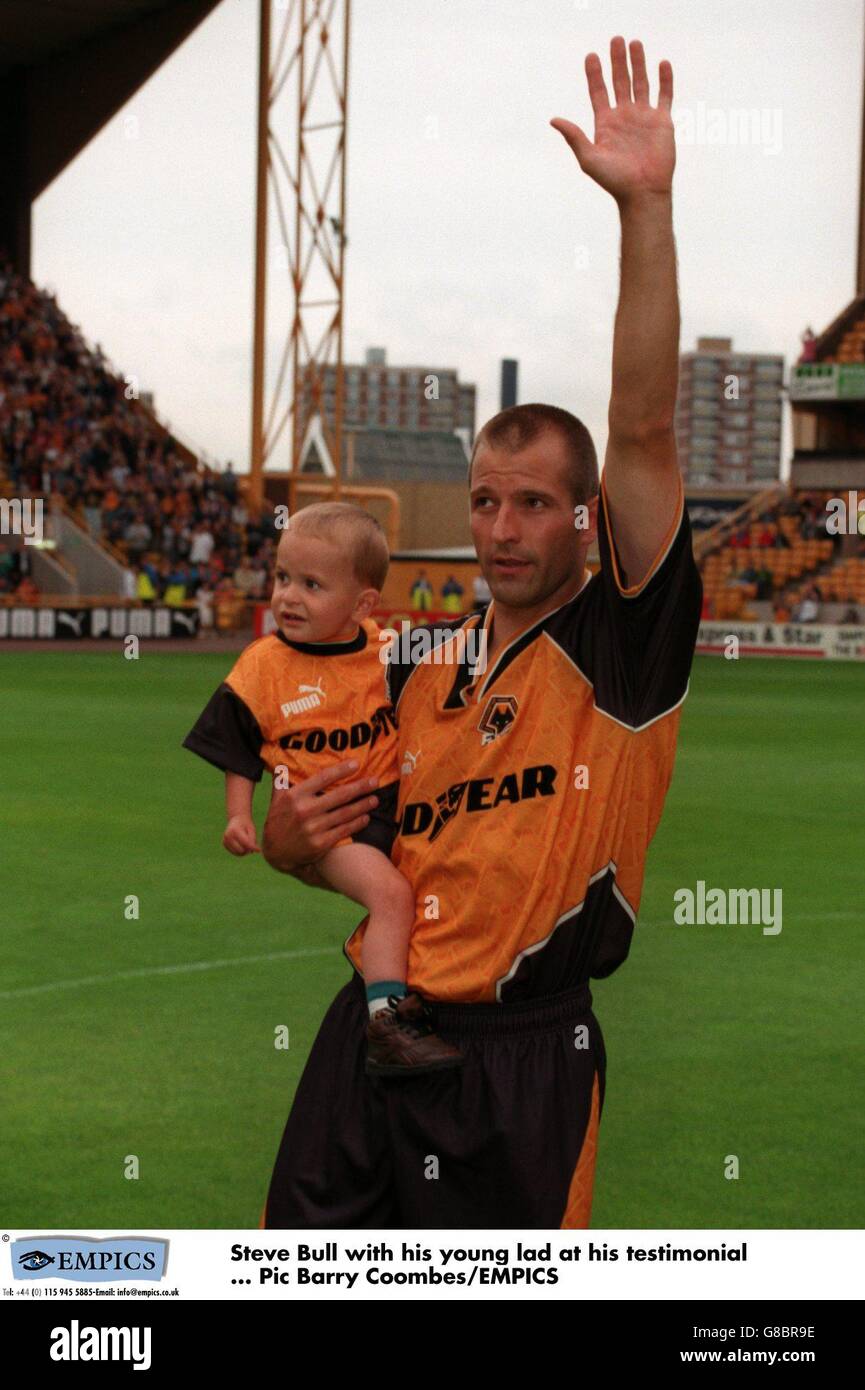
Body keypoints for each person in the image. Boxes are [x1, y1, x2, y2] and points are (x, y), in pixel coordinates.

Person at [258, 36, 702, 1229]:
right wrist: (300, 841)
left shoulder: (623, 653)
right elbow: (350, 847)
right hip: (376, 1037)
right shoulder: (410, 666)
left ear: (583, 516)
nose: (504, 527)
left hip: (521, 1068)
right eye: (486, 500)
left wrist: (644, 213)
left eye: (535, 502)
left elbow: (647, 429)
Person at [183, 502, 460, 1073]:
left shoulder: (388, 653)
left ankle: (422, 996)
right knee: (391, 897)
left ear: (363, 604)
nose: (287, 596)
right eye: (283, 577)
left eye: (311, 584)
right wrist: (239, 814)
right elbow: (239, 743)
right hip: (334, 828)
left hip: (396, 812)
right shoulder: (262, 665)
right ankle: (387, 1024)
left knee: (433, 891)